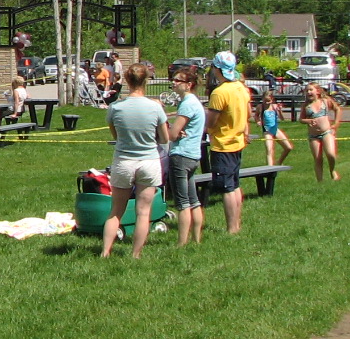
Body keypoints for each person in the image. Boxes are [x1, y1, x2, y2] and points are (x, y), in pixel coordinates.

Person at [100, 63, 169, 260]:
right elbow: (164, 139)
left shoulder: (115, 107)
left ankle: (105, 252)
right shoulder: (155, 107)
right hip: (148, 161)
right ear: (146, 80)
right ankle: (136, 254)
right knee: (143, 212)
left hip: (123, 160)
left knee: (115, 211)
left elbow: (116, 134)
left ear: (127, 81)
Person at [205, 51, 252, 234]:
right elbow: (247, 113)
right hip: (237, 141)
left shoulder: (220, 92)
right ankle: (237, 224)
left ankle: (232, 228)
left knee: (227, 188)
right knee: (235, 184)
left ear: (217, 69)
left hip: (223, 144)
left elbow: (211, 122)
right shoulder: (241, 88)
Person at [166, 68, 205, 247]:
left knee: (182, 203)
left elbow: (172, 135)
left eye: (178, 81)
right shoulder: (195, 102)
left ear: (189, 85)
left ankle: (181, 243)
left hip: (181, 155)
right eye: (173, 80)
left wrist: (164, 126)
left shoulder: (187, 103)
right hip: (194, 155)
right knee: (194, 200)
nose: (173, 83)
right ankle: (196, 240)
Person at [302, 82, 342, 182]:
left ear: (318, 91)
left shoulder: (325, 101)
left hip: (326, 132)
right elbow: (301, 119)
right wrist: (308, 120)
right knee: (318, 159)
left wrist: (335, 124)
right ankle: (320, 182)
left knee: (331, 154)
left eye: (311, 90)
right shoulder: (306, 106)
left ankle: (332, 171)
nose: (308, 92)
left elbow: (337, 109)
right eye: (307, 91)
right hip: (313, 136)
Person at [260, 89, 294, 166]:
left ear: (272, 100)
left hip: (275, 130)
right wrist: (258, 121)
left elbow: (282, 119)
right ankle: (270, 170)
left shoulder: (274, 106)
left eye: (268, 101)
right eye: (265, 101)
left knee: (288, 148)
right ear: (262, 99)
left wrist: (280, 111)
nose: (267, 103)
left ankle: (279, 162)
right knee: (269, 150)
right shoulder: (260, 107)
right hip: (267, 131)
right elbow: (256, 116)